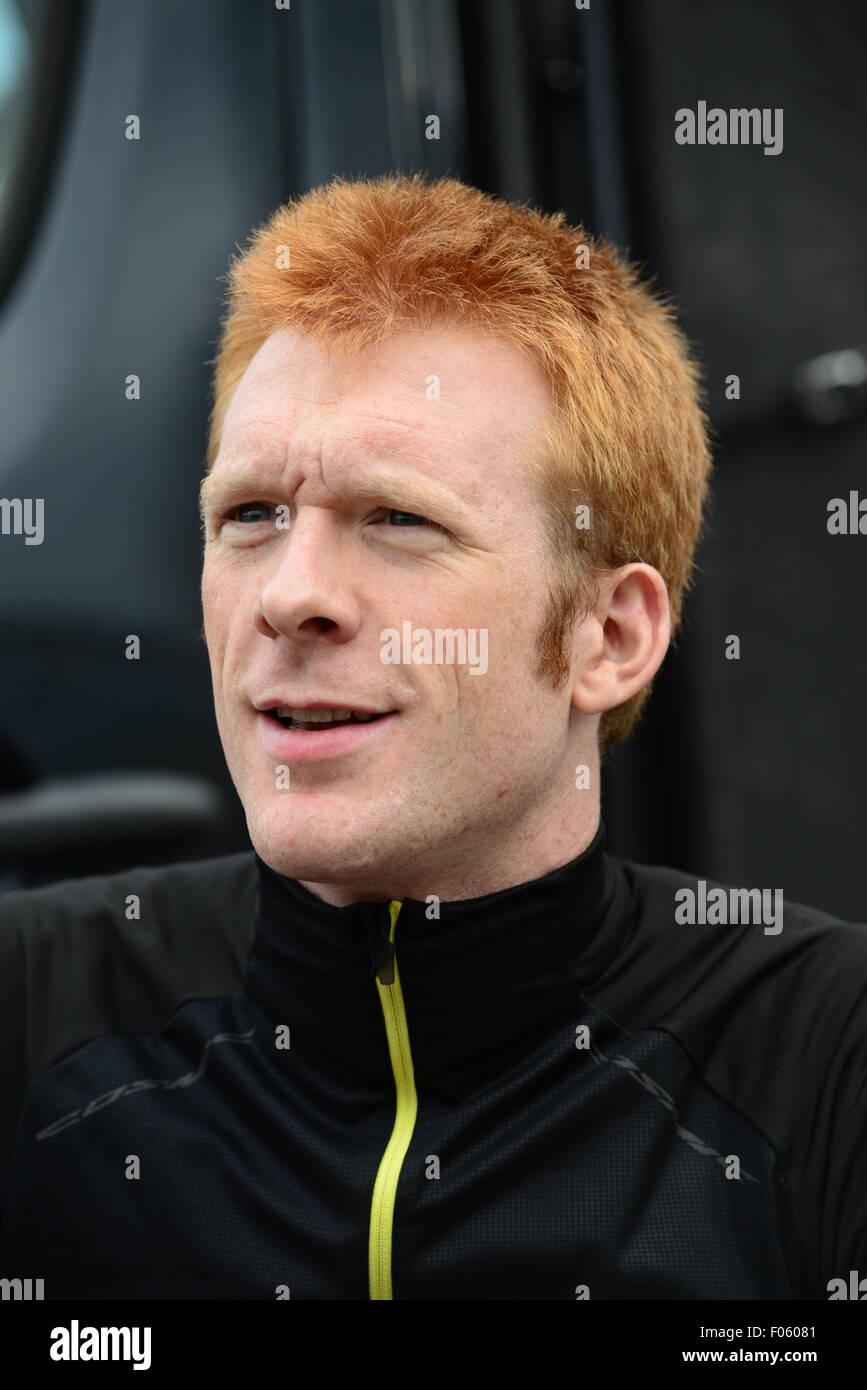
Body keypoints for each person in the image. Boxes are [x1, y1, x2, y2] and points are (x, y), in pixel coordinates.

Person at [1, 174, 864, 1301]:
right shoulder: (29, 1009)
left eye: (399, 519)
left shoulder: (826, 1062)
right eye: (251, 515)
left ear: (609, 633)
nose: (291, 593)